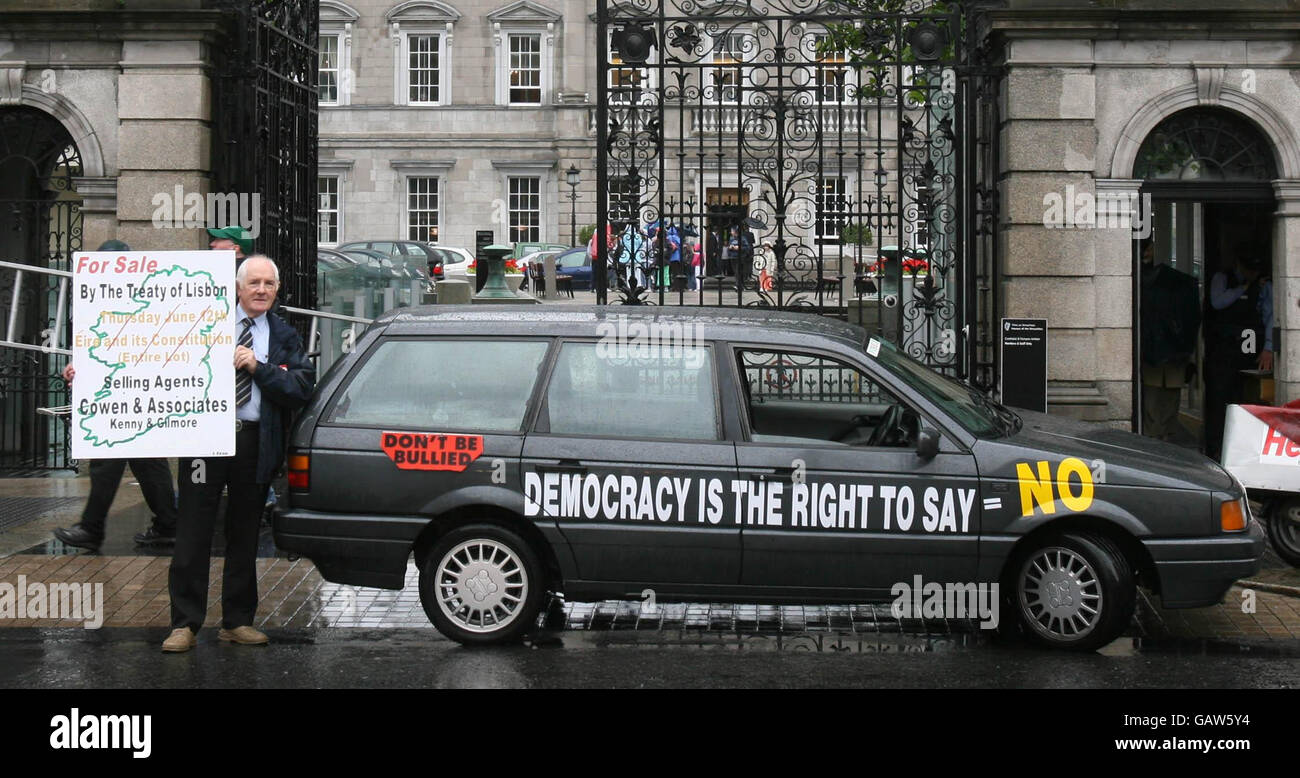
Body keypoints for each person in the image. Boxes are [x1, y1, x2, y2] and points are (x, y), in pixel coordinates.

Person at [163, 255, 316, 653]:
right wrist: (87, 371)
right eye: (254, 283)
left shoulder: (284, 334)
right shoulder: (201, 322)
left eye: (269, 284)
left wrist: (259, 367)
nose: (262, 290)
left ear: (277, 290)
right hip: (203, 440)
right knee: (193, 531)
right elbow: (148, 356)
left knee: (245, 532)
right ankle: (184, 624)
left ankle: (237, 621)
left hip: (253, 442)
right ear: (237, 287)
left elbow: (300, 387)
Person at [52, 239, 179, 552]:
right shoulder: (96, 302)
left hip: (132, 395)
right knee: (148, 464)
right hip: (118, 396)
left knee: (112, 463)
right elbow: (94, 347)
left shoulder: (146, 301)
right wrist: (77, 367)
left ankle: (93, 528)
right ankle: (168, 525)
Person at [1203, 251, 1274, 459]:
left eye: (1255, 270)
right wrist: (1243, 288)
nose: (1252, 274)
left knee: (1245, 400)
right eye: (1249, 269)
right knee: (1219, 400)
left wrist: (1268, 347)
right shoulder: (1223, 278)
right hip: (1223, 352)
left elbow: (1270, 315)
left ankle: (1244, 450)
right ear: (1239, 264)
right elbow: (1217, 302)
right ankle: (1215, 448)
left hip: (1250, 353)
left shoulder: (1263, 285)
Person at [1138, 240, 1200, 442]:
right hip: (1174, 351)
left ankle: (1154, 434)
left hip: (1160, 351)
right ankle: (1163, 434)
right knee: (1166, 397)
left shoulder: (1149, 283)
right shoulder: (1180, 285)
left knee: (1154, 397)